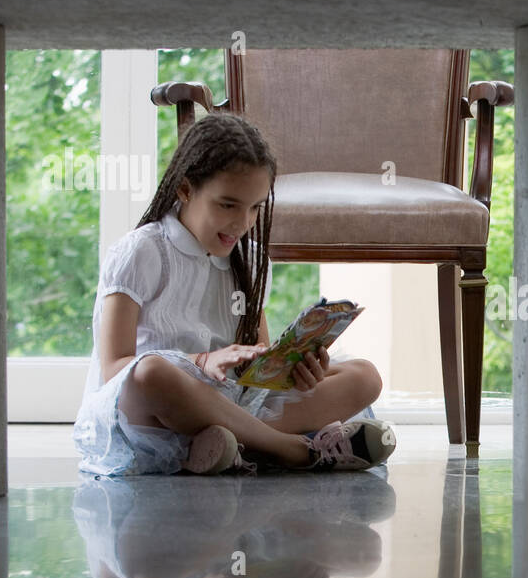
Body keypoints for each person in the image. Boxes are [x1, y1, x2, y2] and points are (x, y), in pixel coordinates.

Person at [72, 113, 396, 476]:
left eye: (255, 207)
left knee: (364, 375)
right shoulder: (141, 252)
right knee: (152, 373)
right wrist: (200, 362)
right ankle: (288, 448)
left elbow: (257, 362)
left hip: (233, 404)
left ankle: (227, 446)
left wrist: (298, 371)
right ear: (185, 188)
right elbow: (116, 368)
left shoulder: (252, 260)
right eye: (227, 204)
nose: (242, 222)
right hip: (159, 408)